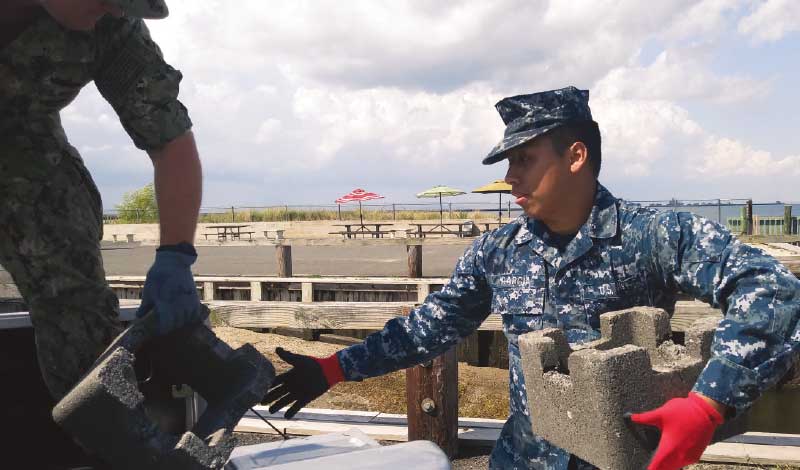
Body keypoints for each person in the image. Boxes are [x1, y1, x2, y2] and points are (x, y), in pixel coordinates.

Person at [262, 86, 800, 470]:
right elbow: (431, 326)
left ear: (576, 156)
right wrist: (334, 367)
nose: (510, 177)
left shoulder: (653, 235)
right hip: (521, 458)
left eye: (524, 158)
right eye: (509, 162)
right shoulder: (498, 251)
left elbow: (774, 293)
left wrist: (708, 404)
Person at [0, 0, 203, 455]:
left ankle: (124, 446)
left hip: (21, 142)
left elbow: (170, 140)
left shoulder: (114, 27)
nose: (108, 11)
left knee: (77, 298)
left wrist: (176, 256)